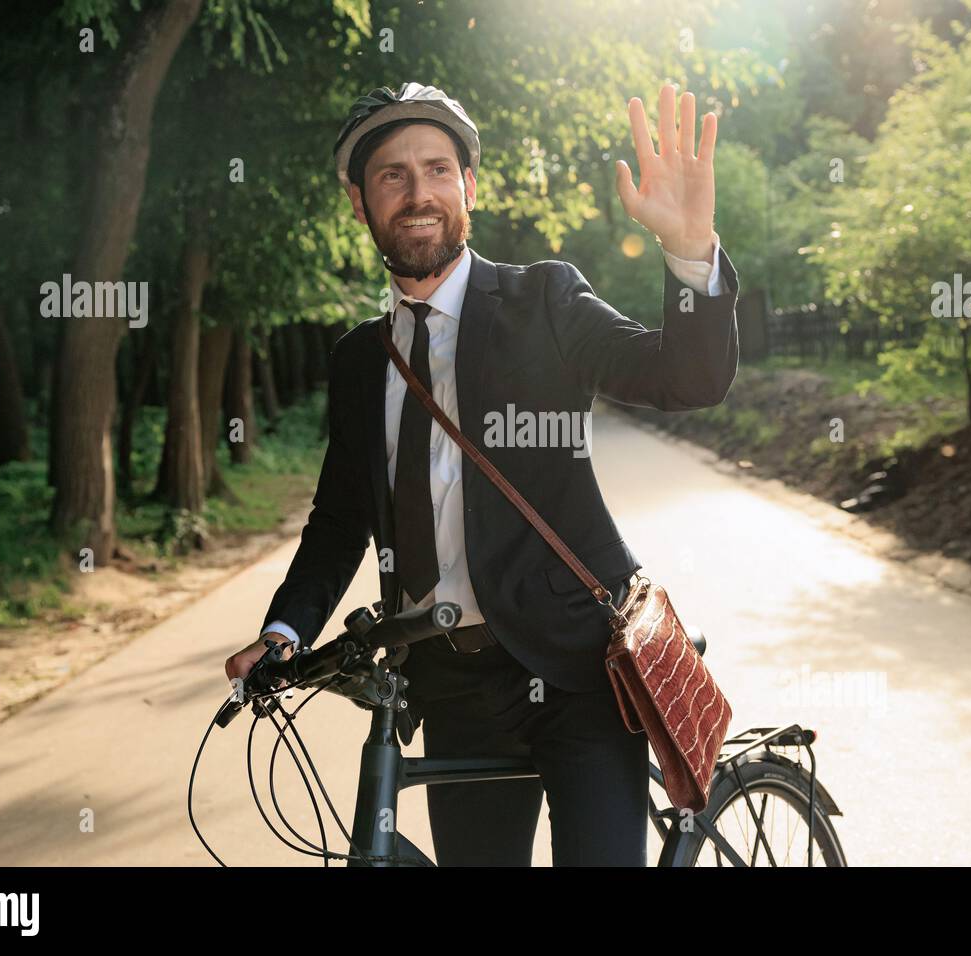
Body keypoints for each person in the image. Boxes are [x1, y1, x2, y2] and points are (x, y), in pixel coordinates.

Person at [225, 81, 740, 866]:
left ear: (468, 187)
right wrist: (285, 628)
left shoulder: (545, 300)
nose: (418, 191)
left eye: (437, 168)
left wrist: (690, 251)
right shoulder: (360, 361)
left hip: (579, 674)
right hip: (453, 686)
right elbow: (339, 519)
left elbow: (685, 378)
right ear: (361, 204)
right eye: (392, 175)